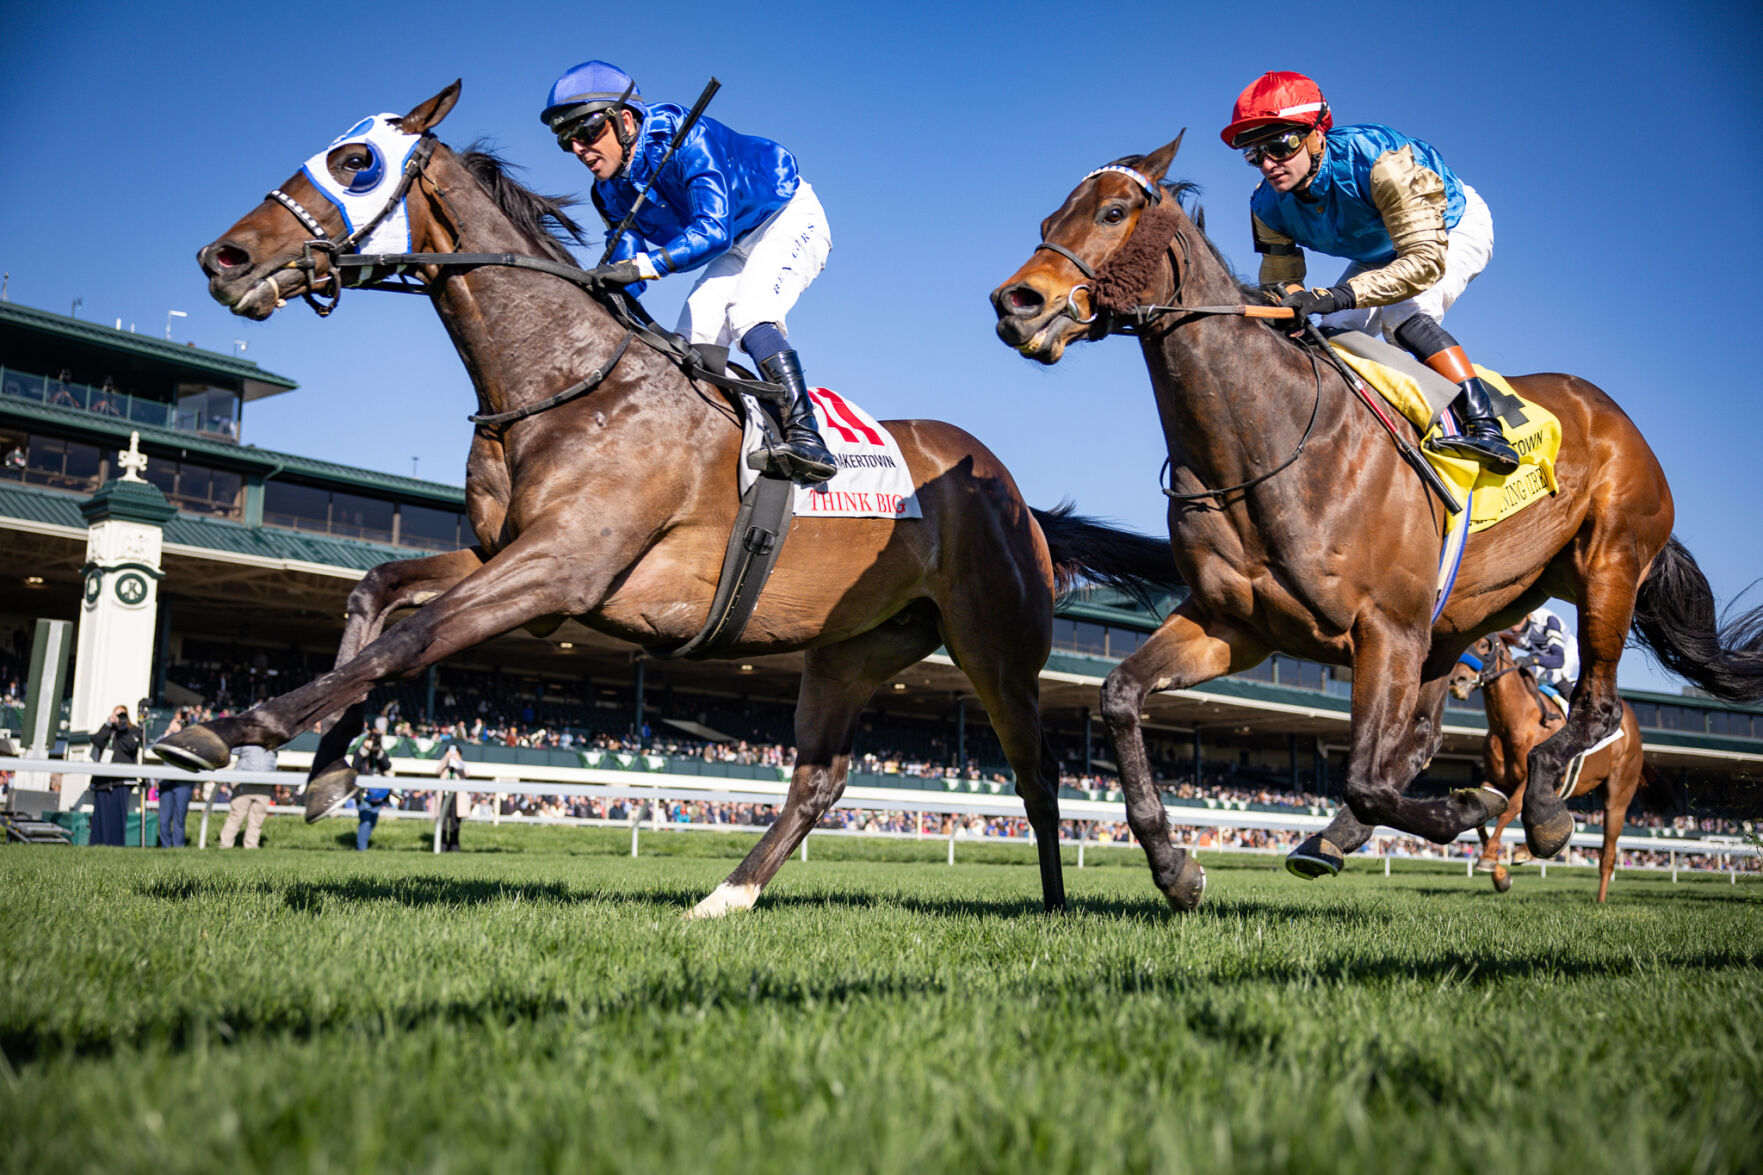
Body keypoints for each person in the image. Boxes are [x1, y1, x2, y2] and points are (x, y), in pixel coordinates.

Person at [540, 59, 837, 484]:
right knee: (686, 345)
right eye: (565, 139)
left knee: (750, 312)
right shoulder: (608, 191)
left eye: (586, 131)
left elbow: (711, 231)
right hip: (737, 244)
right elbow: (625, 266)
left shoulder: (686, 136)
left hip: (785, 216)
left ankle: (807, 438)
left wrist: (643, 267)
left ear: (624, 119)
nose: (578, 148)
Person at [1221, 71, 1520, 475]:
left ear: (1315, 134)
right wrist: (1291, 300)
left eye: (1281, 144)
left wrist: (1336, 293)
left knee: (1403, 318)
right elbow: (1280, 280)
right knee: (1328, 332)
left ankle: (1485, 425)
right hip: (1379, 247)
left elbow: (1423, 260)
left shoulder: (1381, 159)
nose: (1269, 164)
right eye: (1255, 154)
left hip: (1447, 228)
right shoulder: (1266, 205)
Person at [87, 703, 139, 846]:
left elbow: (130, 746)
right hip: (104, 779)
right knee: (101, 814)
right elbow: (96, 740)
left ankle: (116, 844)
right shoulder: (109, 730)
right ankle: (98, 842)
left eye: (122, 714)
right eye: (116, 714)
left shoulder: (132, 730)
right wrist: (108, 724)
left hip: (122, 780)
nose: (118, 718)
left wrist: (122, 729)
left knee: (118, 815)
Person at [1507, 605, 1579, 704]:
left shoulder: (1547, 620)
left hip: (1566, 653)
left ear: (1527, 614)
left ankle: (1576, 710)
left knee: (1554, 675)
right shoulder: (1505, 630)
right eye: (1509, 622)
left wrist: (1531, 660)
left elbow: (1558, 660)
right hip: (1540, 655)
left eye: (1517, 621)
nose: (1513, 628)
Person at [219, 744, 277, 849]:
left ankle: (251, 845)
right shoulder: (245, 733)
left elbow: (283, 743)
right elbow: (234, 748)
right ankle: (225, 844)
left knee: (258, 817)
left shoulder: (273, 736)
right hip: (244, 780)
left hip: (265, 780)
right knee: (237, 815)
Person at [352, 731, 394, 851]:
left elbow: (387, 765)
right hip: (363, 793)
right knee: (365, 819)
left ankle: (362, 844)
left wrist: (378, 752)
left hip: (378, 794)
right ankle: (361, 849)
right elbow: (355, 765)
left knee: (373, 820)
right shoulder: (360, 753)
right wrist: (364, 750)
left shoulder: (380, 754)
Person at [436, 743, 468, 852]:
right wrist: (446, 758)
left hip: (457, 798)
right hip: (444, 796)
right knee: (442, 821)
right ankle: (442, 846)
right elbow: (437, 770)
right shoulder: (445, 766)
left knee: (455, 822)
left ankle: (454, 846)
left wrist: (458, 760)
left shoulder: (460, 765)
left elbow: (467, 773)